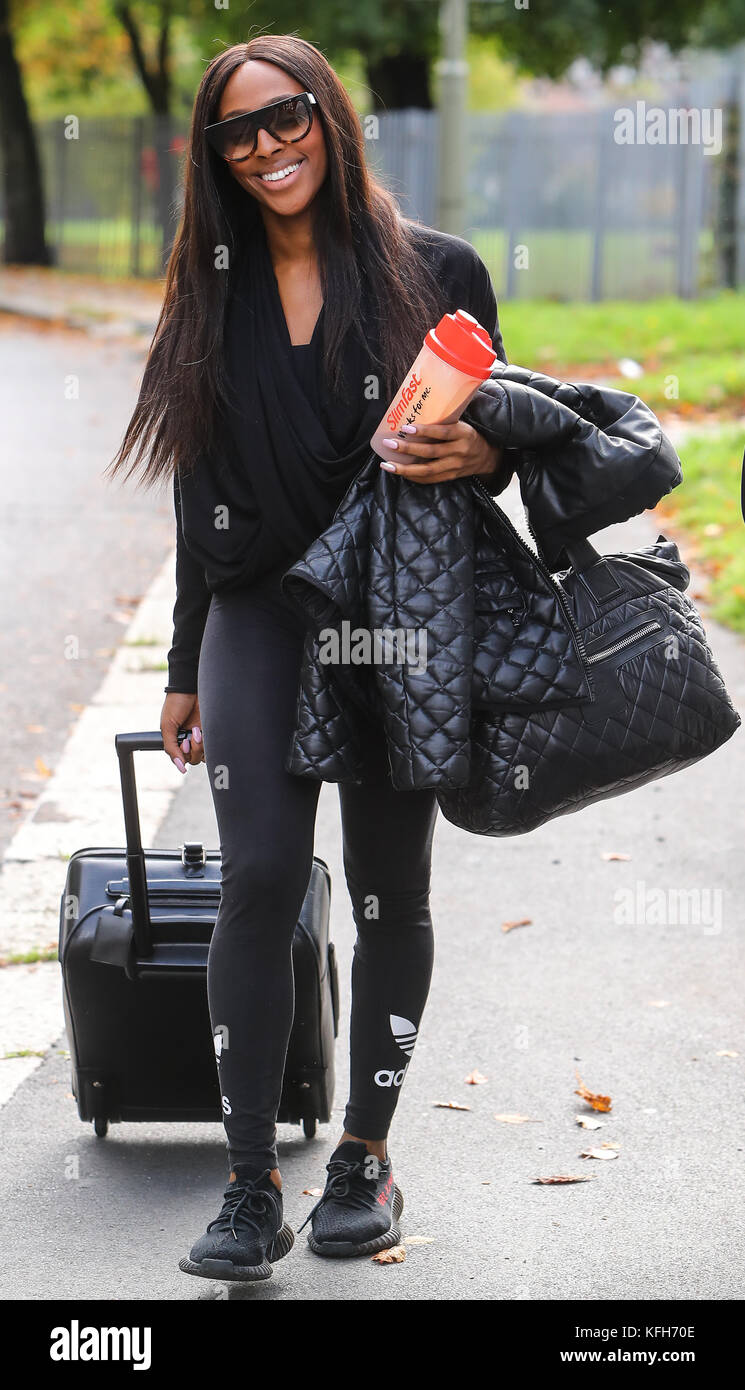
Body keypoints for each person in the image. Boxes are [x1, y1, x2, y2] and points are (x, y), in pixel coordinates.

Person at [108, 33, 512, 1283]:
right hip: (256, 613)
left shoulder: (435, 271)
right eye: (237, 131)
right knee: (261, 878)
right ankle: (245, 1185)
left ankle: (364, 1154)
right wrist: (182, 662)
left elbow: (504, 441)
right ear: (214, 157)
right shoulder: (207, 290)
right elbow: (195, 496)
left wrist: (483, 457)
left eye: (286, 118)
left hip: (395, 617)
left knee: (391, 887)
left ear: (328, 118)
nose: (267, 146)